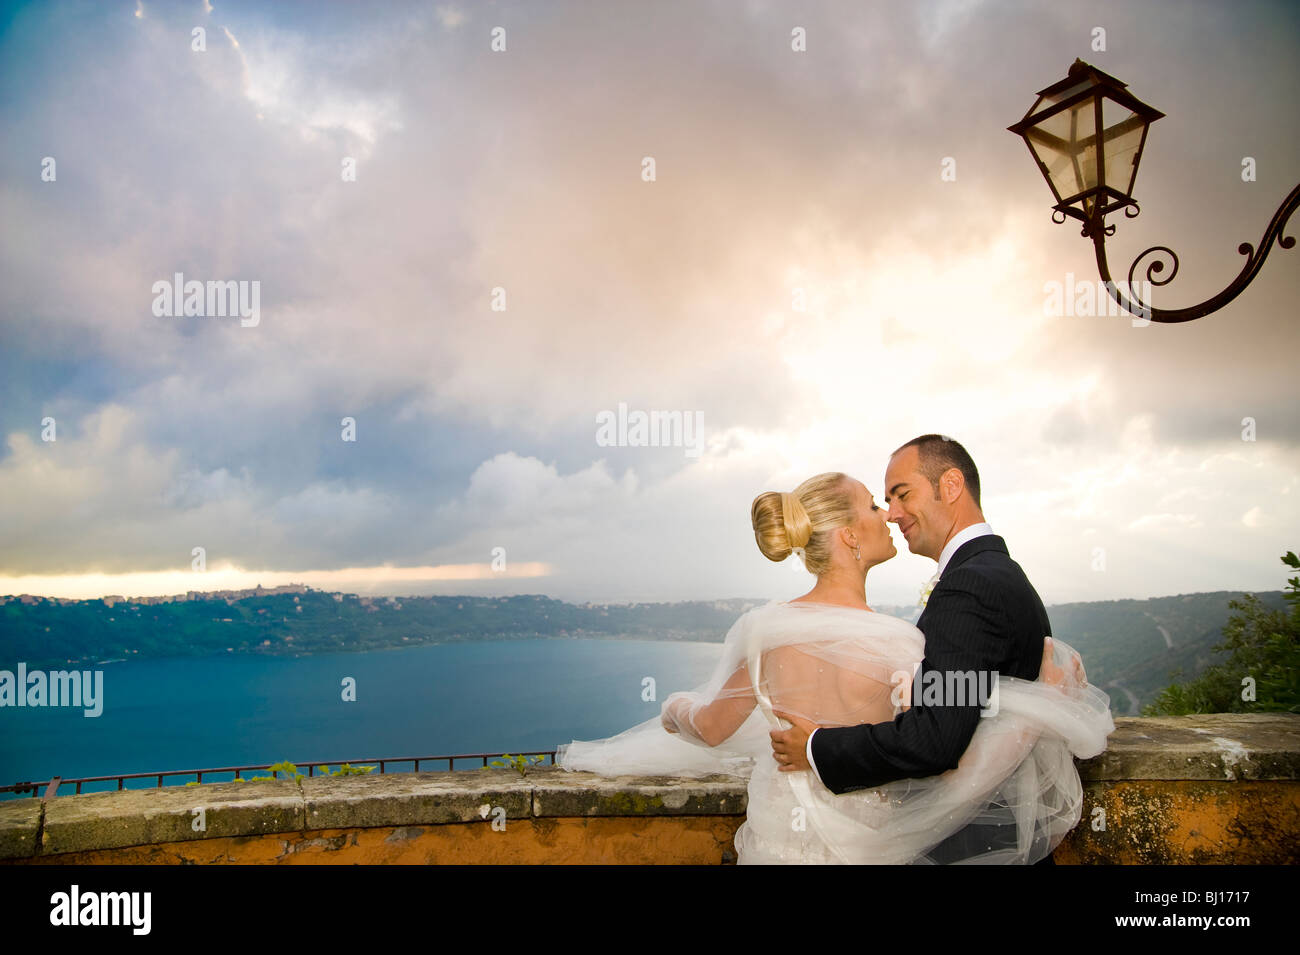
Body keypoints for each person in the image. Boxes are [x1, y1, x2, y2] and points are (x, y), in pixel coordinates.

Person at [558, 461, 1113, 864]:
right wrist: (1042, 704)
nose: (887, 515)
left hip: (775, 847)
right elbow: (948, 760)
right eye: (874, 505)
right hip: (867, 849)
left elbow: (710, 727)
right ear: (849, 535)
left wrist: (674, 708)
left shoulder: (767, 630)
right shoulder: (902, 647)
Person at [770, 434, 1110, 863]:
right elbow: (970, 704)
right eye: (885, 501)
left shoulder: (969, 587)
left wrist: (816, 747)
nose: (893, 514)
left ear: (950, 486)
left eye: (902, 494)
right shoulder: (995, 572)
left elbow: (935, 740)